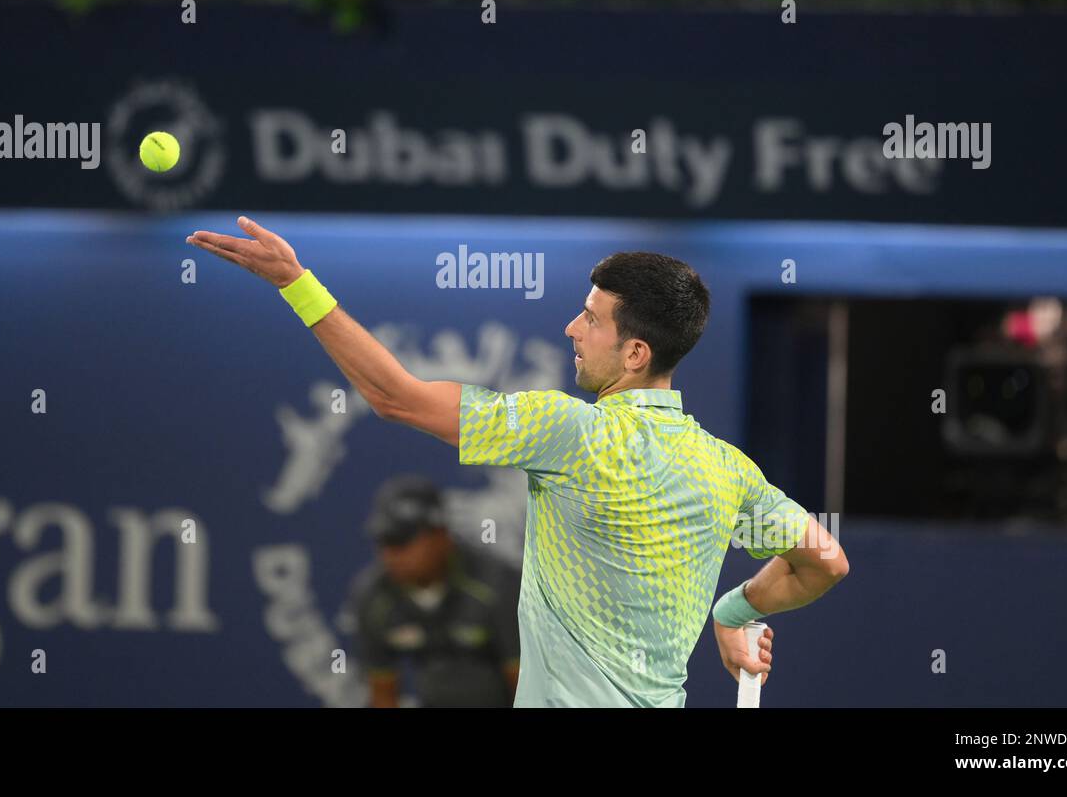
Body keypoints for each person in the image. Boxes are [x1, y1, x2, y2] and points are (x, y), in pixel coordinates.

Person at [187, 216, 850, 707]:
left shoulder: (569, 434)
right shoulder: (727, 470)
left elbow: (395, 396)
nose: (571, 327)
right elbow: (824, 559)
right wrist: (733, 612)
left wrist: (294, 282)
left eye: (591, 318)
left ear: (636, 354)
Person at [344, 474, 521, 707]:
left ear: (441, 536)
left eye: (403, 541)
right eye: (385, 542)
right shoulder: (374, 597)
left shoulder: (498, 587)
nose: (393, 555)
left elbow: (528, 688)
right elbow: (383, 694)